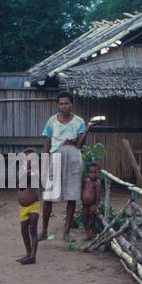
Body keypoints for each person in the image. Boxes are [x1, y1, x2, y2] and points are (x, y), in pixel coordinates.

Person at [40, 92, 87, 242]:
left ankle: (66, 231)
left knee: (71, 196)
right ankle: (44, 231)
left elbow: (80, 145)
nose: (64, 106)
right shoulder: (52, 121)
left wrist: (88, 129)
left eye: (66, 103)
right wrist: (45, 160)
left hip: (73, 159)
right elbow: (48, 141)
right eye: (61, 103)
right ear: (58, 105)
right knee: (48, 196)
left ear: (71, 104)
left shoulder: (79, 122)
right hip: (56, 158)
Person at [17, 151, 41, 265]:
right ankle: (28, 253)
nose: (30, 162)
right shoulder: (21, 171)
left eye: (33, 160)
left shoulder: (35, 172)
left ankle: (33, 256)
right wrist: (24, 172)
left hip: (33, 206)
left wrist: (27, 172)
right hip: (23, 207)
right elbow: (19, 180)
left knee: (33, 230)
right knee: (23, 230)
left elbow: (33, 175)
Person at [80, 160, 102, 240]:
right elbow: (82, 189)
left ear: (98, 173)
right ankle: (88, 235)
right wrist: (82, 199)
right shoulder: (86, 181)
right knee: (85, 220)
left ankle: (95, 234)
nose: (92, 174)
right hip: (85, 205)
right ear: (88, 173)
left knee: (93, 220)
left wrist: (96, 205)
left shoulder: (97, 183)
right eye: (91, 172)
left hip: (92, 205)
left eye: (95, 172)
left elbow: (98, 195)